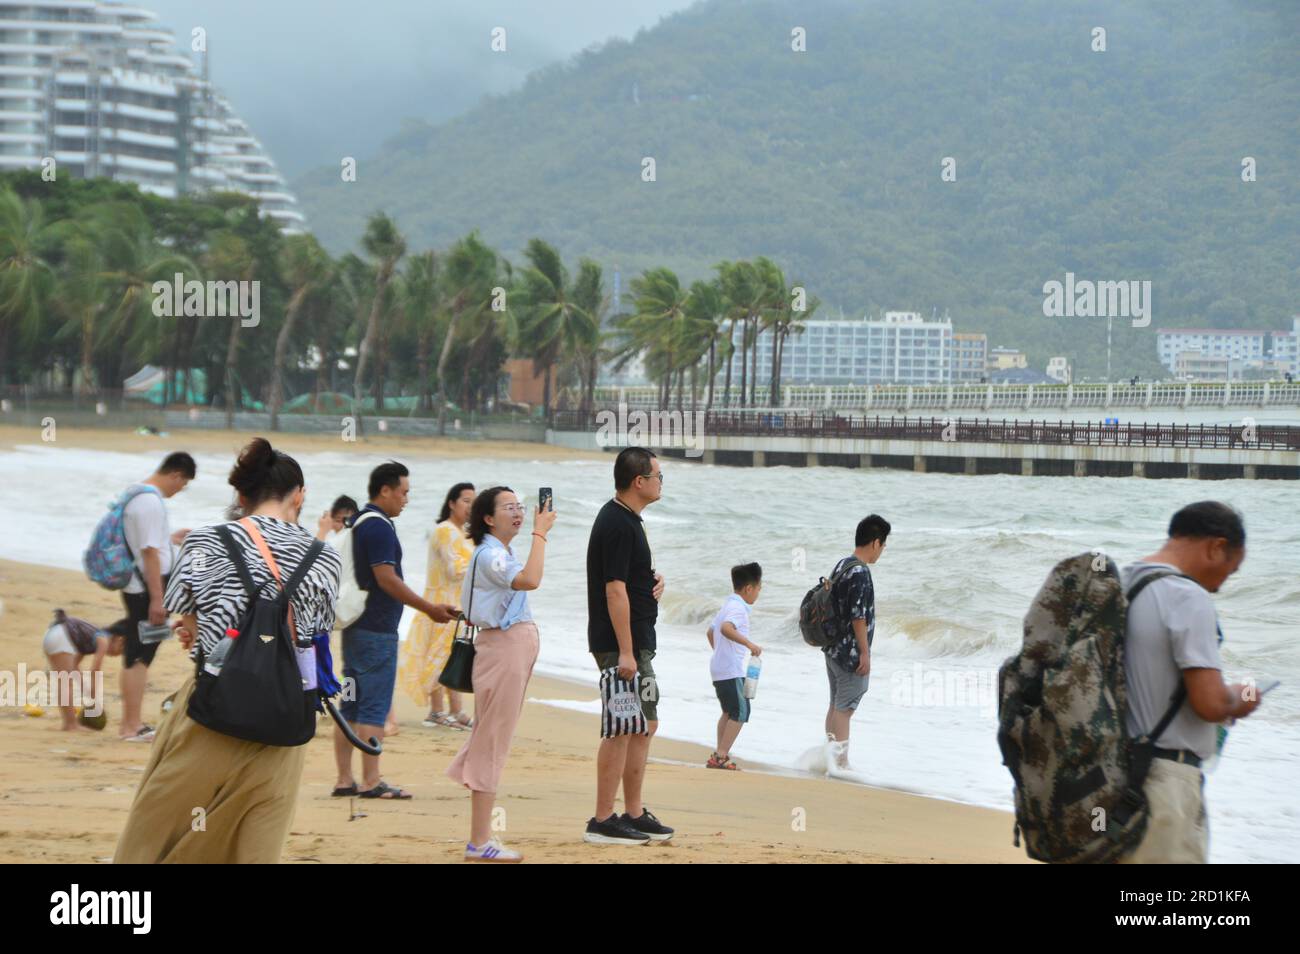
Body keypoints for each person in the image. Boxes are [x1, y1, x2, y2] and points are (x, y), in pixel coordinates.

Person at [113, 438, 342, 863]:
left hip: (211, 710)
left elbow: (188, 620)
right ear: (300, 495)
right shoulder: (326, 557)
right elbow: (315, 632)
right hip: (283, 721)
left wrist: (203, 632)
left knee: (153, 836)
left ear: (241, 496)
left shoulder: (204, 541)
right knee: (256, 846)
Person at [1118, 501, 1262, 864]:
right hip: (1162, 783)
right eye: (1230, 570)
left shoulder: (1125, 580)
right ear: (1216, 547)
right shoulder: (1187, 595)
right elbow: (1211, 704)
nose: (1220, 587)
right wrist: (1245, 694)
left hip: (1114, 775)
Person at [332, 461, 458, 800]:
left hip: (355, 630)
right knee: (372, 706)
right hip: (376, 632)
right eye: (403, 492)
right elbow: (387, 578)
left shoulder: (359, 522)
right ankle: (371, 781)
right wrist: (430, 608)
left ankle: (345, 779)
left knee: (351, 702)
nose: (406, 499)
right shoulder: (379, 527)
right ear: (384, 490)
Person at [446, 486, 556, 862]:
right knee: (492, 741)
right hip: (502, 649)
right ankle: (479, 842)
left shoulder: (498, 552)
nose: (519, 512)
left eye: (521, 507)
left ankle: (480, 839)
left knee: (491, 738)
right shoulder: (492, 555)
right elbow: (530, 579)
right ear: (489, 518)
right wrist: (540, 533)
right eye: (509, 508)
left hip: (507, 648)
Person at [583, 446, 672, 845]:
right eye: (658, 476)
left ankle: (633, 812)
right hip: (622, 645)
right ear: (640, 482)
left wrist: (652, 580)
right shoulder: (618, 523)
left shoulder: (627, 519)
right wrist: (625, 651)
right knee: (623, 726)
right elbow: (613, 590)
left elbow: (627, 579)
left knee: (643, 723)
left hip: (635, 642)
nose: (661, 483)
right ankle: (603, 819)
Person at [117, 451, 195, 741]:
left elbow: (145, 543)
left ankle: (130, 723)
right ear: (176, 474)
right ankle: (132, 726)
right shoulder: (151, 502)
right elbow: (149, 552)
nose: (180, 489)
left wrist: (170, 539)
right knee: (140, 655)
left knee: (135, 653)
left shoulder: (135, 493)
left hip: (135, 584)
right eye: (183, 483)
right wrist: (157, 599)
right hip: (147, 587)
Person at [398, 482, 476, 729]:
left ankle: (456, 711)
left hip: (458, 604)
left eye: (474, 501)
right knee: (438, 657)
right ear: (451, 503)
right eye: (465, 500)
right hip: (441, 602)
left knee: (455, 656)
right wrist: (483, 563)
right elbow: (455, 570)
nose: (470, 506)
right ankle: (436, 711)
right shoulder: (445, 531)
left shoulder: (465, 533)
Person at [823, 514, 890, 771]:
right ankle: (840, 762)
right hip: (849, 652)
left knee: (835, 705)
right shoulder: (861, 572)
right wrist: (864, 652)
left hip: (832, 647)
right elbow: (858, 616)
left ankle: (829, 757)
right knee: (844, 709)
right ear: (875, 543)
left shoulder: (843, 564)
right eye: (883, 545)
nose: (882, 551)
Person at [705, 562, 763, 770]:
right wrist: (749, 644)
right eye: (758, 588)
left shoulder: (727, 605)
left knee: (729, 711)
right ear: (749, 588)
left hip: (720, 667)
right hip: (730, 669)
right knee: (741, 711)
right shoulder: (738, 608)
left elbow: (711, 632)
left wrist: (720, 652)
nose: (758, 593)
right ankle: (720, 756)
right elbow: (725, 628)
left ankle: (719, 754)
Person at [41, 610, 124, 731]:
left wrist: (86, 691)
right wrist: (94, 698)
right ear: (120, 640)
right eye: (121, 651)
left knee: (63, 681)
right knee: (65, 683)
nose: (117, 655)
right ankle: (70, 724)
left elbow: (74, 667)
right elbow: (95, 670)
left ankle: (69, 722)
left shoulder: (89, 637)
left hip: (51, 634)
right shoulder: (103, 640)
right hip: (61, 636)